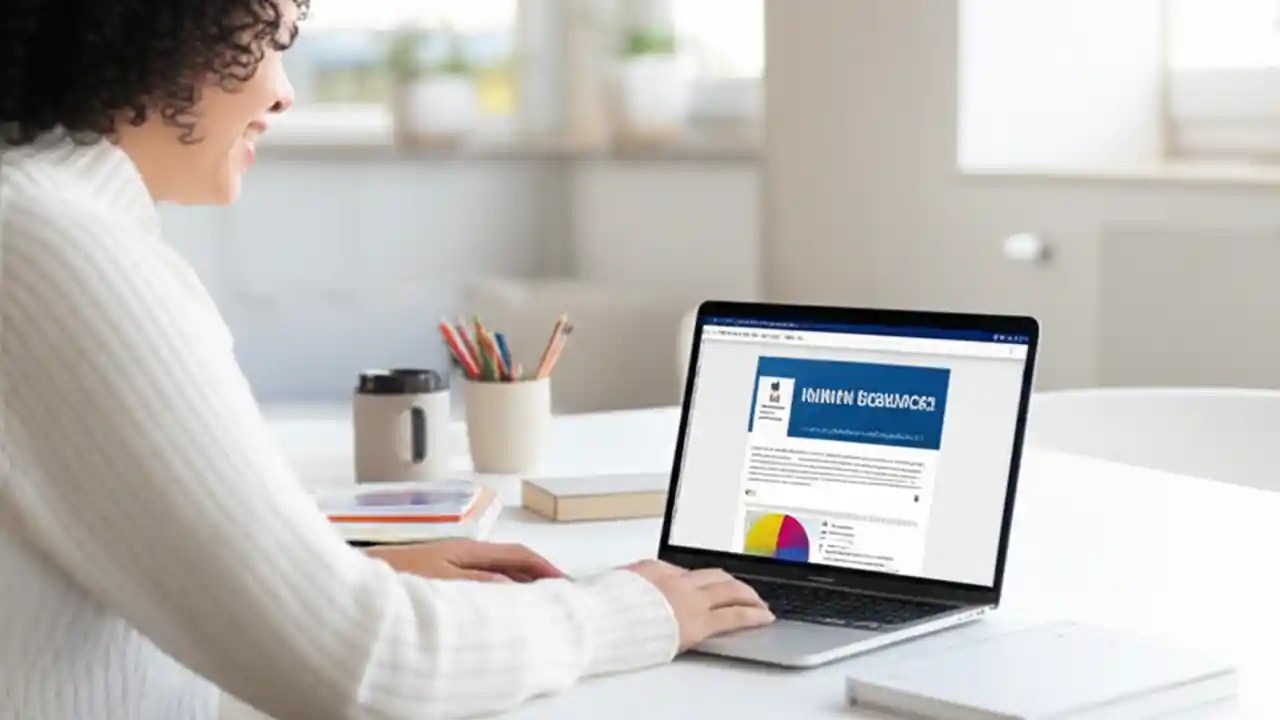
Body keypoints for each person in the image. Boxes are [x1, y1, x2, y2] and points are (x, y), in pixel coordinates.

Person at [0, 1, 774, 718]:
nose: (281, 93)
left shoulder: (41, 224)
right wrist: (632, 609)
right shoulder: (54, 249)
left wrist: (348, 572)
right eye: (264, 44)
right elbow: (365, 663)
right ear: (148, 33)